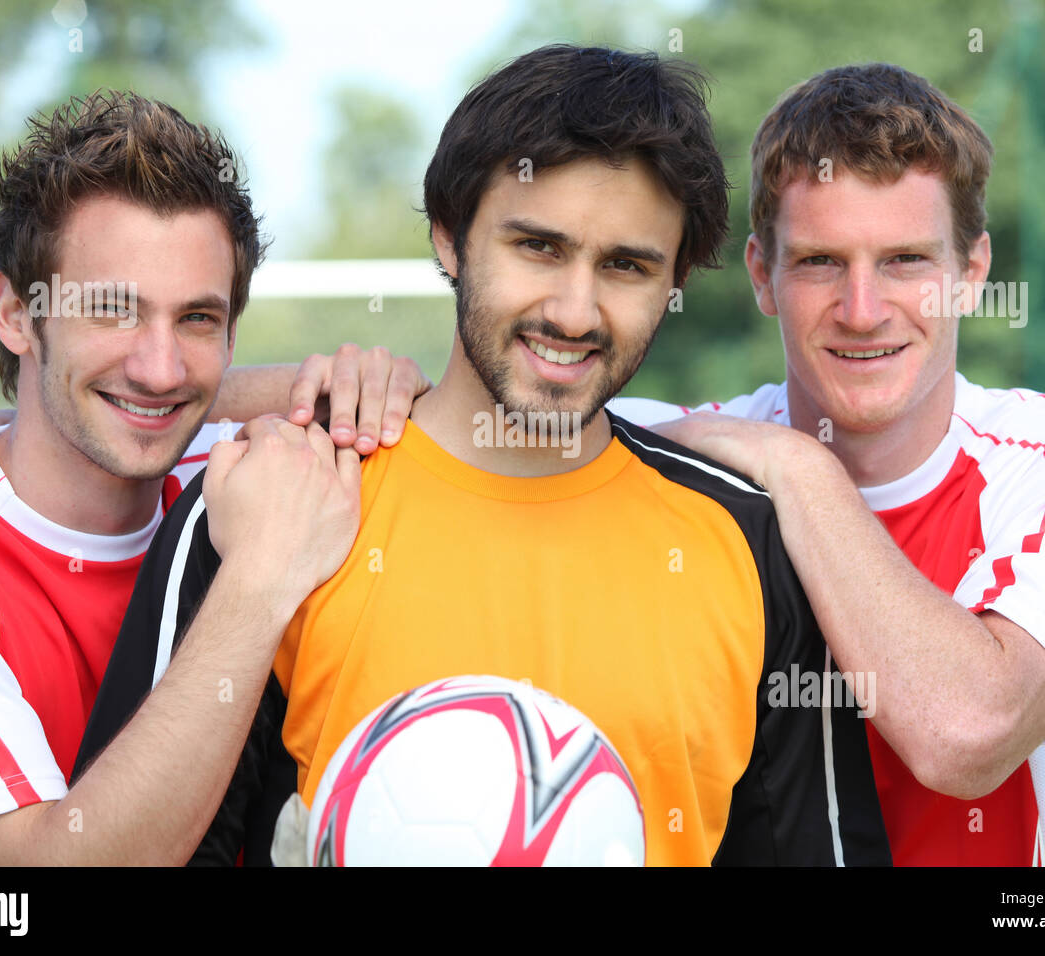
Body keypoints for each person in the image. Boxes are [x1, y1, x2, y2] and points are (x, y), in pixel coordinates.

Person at [77, 45, 892, 866]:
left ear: (675, 279)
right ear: (450, 238)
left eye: (626, 266)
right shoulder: (269, 501)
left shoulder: (751, 542)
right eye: (537, 247)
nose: (575, 311)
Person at [612, 63, 1045, 866]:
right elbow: (474, 429)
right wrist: (366, 387)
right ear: (763, 276)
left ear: (970, 274)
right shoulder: (678, 453)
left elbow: (968, 735)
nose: (863, 311)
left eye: (905, 260)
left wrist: (802, 473)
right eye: (820, 263)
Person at [0, 90, 426, 866]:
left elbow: (608, 430)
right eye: (111, 310)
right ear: (12, 313)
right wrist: (261, 582)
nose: (160, 367)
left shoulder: (245, 470)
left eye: (197, 319)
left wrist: (377, 381)